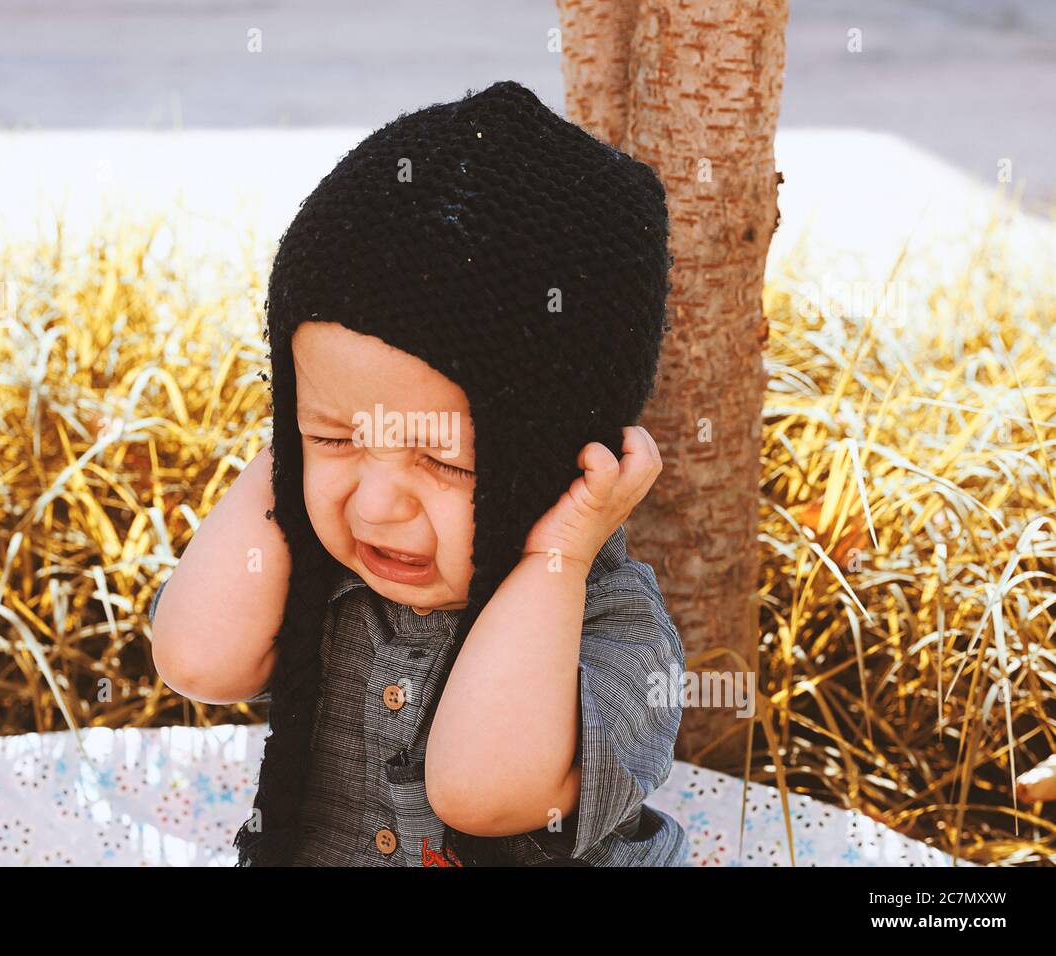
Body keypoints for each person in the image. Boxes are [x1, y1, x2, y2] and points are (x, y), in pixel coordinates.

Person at [150, 80, 687, 866]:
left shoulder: (615, 633)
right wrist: (292, 443)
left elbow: (486, 790)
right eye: (332, 438)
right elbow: (198, 659)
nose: (373, 504)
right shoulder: (321, 579)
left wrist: (557, 555)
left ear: (553, 457)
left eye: (442, 459)